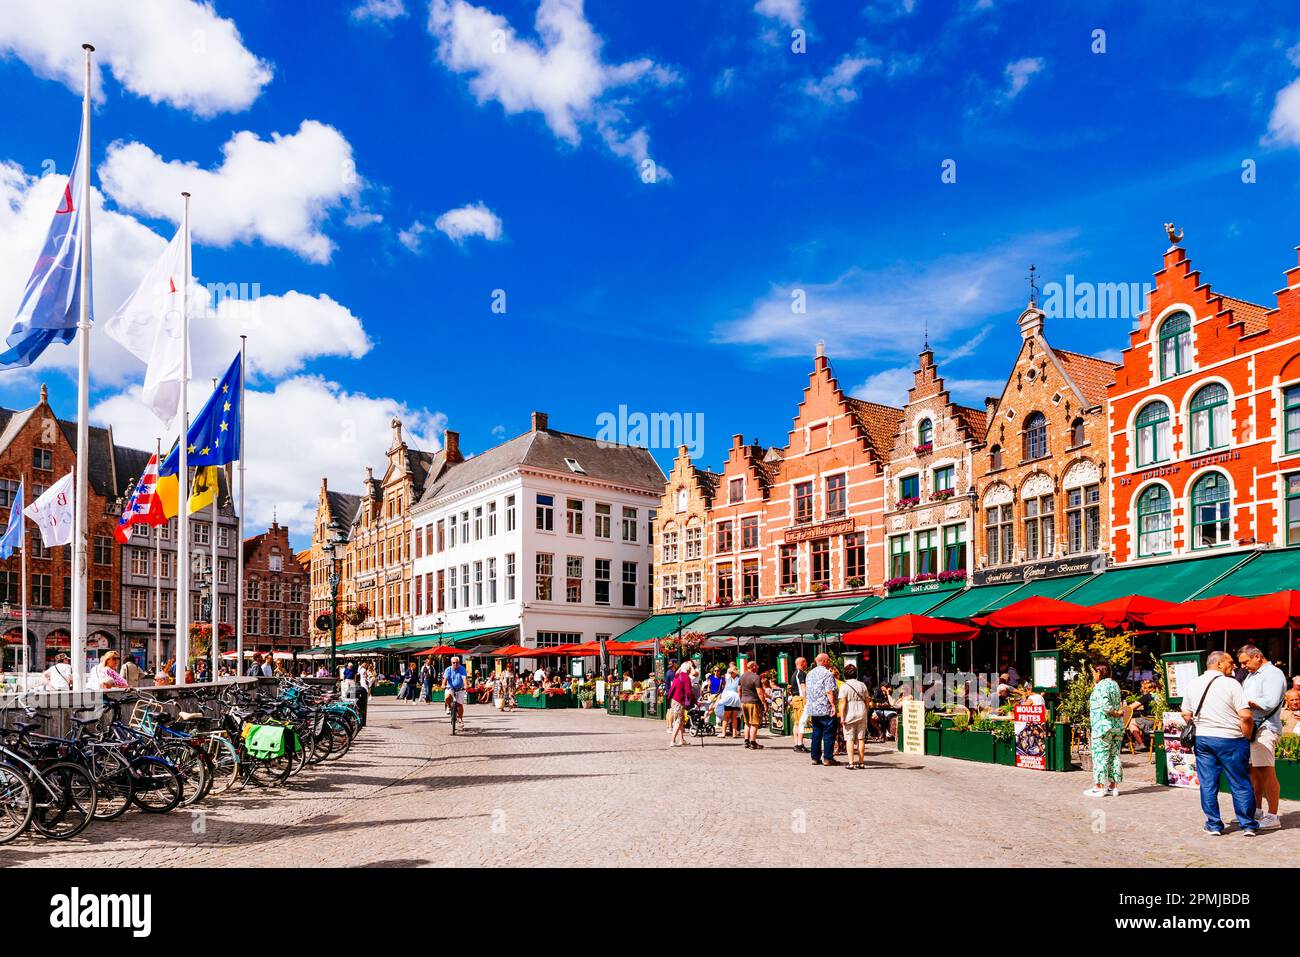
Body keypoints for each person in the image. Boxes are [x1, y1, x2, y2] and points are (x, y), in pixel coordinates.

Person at [1181, 650, 1258, 836]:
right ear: (1219, 664)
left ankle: (1214, 824)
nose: (1234, 666)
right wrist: (1247, 735)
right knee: (1240, 782)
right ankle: (1247, 824)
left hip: (1204, 739)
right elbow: (1246, 714)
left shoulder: (1193, 684)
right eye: (1230, 663)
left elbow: (1186, 713)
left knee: (1208, 784)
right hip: (1231, 738)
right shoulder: (1231, 684)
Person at [1239, 643, 1286, 830]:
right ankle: (1257, 811)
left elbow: (1269, 702)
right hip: (1253, 727)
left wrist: (1243, 703)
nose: (1243, 666)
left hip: (1265, 728)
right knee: (1254, 771)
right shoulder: (1252, 675)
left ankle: (1273, 816)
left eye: (1245, 662)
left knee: (1266, 771)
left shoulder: (1272, 674)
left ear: (1257, 656)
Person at [1084, 662, 1124, 797]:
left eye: (1094, 672)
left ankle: (1099, 787)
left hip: (1102, 726)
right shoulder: (1114, 684)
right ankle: (1113, 787)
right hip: (1116, 726)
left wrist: (1115, 713)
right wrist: (1117, 715)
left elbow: (1106, 707)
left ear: (1100, 672)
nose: (1093, 675)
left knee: (1100, 756)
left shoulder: (1101, 686)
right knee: (1114, 756)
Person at [804, 653, 839, 767]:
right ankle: (828, 758)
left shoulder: (809, 674)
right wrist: (833, 705)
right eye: (828, 660)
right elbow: (829, 691)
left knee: (816, 733)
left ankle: (815, 757)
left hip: (814, 708)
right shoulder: (827, 674)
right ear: (824, 661)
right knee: (829, 733)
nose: (829, 662)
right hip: (825, 708)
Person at [838, 663, 870, 769]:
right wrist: (866, 711)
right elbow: (867, 700)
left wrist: (842, 717)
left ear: (845, 675)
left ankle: (851, 763)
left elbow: (843, 702)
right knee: (861, 738)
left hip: (849, 713)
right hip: (861, 712)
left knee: (849, 738)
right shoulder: (862, 685)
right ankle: (861, 762)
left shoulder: (844, 686)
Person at [737, 660, 766, 751]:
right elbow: (759, 692)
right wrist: (764, 702)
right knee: (754, 723)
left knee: (747, 722)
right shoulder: (756, 677)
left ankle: (746, 741)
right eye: (756, 666)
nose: (757, 667)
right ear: (753, 667)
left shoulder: (742, 676)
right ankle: (753, 742)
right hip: (753, 702)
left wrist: (741, 698)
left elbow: (739, 689)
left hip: (744, 701)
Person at [666, 661, 697, 747]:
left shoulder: (677, 675)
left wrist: (685, 665)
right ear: (688, 669)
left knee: (681, 720)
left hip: (674, 700)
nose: (691, 670)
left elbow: (678, 672)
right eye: (690, 669)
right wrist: (696, 702)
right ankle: (672, 740)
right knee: (678, 720)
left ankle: (682, 739)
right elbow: (688, 692)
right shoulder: (686, 677)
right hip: (679, 701)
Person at [1127, 679, 1157, 751]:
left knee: (1131, 722)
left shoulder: (1147, 696)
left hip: (1151, 721)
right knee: (1138, 719)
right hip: (1158, 721)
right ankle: (1140, 743)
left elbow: (1132, 707)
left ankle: (1140, 743)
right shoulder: (1157, 695)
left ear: (1145, 688)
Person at [789, 656, 809, 754]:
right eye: (806, 662)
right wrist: (806, 699)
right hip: (800, 699)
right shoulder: (801, 674)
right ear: (803, 663)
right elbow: (803, 687)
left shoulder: (794, 674)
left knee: (796, 722)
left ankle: (796, 743)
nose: (807, 664)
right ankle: (800, 744)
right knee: (801, 721)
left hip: (795, 699)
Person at [716, 664, 742, 737]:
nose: (730, 674)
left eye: (731, 672)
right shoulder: (739, 679)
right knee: (734, 717)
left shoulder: (728, 679)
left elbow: (738, 689)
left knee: (726, 717)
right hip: (736, 699)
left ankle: (723, 733)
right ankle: (734, 733)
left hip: (728, 699)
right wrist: (739, 700)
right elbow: (739, 690)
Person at [443, 655, 468, 727]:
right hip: (450, 687)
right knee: (447, 697)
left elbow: (464, 679)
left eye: (457, 663)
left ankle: (460, 719)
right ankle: (449, 707)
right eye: (453, 663)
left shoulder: (462, 669)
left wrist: (466, 686)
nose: (455, 664)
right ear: (451, 663)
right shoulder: (448, 669)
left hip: (460, 688)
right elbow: (445, 679)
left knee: (460, 704)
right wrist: (443, 685)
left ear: (459, 663)